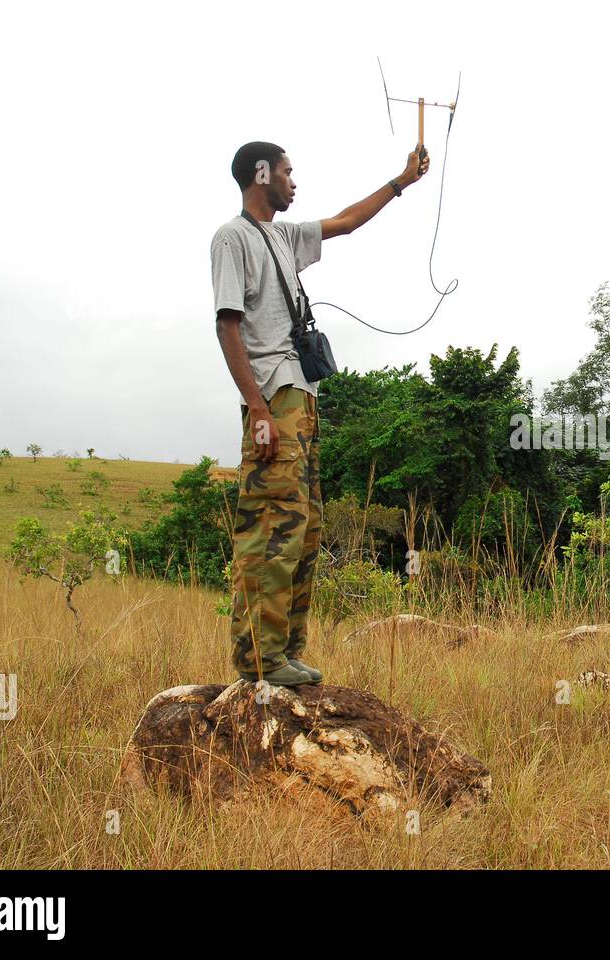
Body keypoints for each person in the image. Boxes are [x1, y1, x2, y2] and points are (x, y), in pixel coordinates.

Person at [210, 139, 429, 686]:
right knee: (271, 527)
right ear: (261, 174)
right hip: (273, 399)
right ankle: (258, 663)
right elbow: (227, 324)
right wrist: (257, 407)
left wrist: (402, 181)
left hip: (302, 399)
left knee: (303, 530)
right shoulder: (232, 237)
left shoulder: (282, 236)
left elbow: (347, 221)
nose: (294, 181)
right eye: (287, 172)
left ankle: (284, 655)